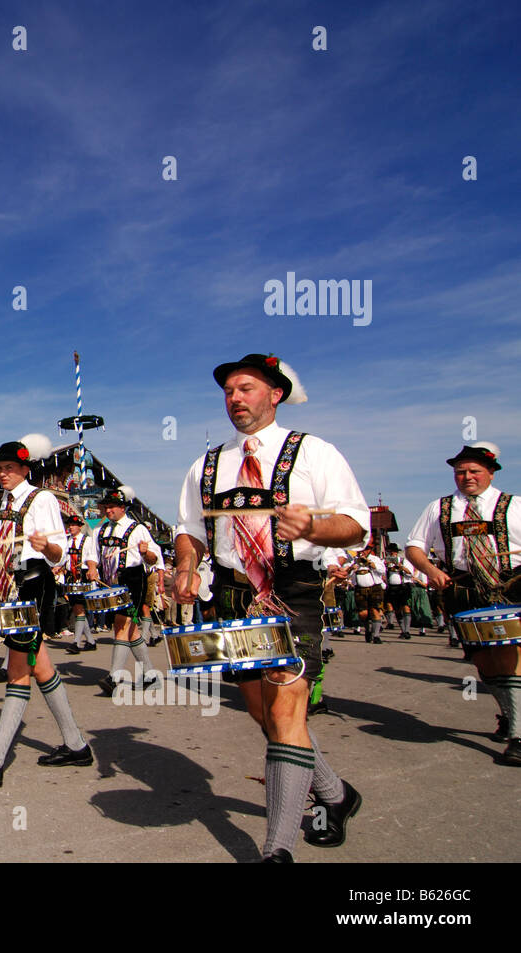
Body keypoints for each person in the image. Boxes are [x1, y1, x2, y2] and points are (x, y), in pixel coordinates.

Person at [173, 354, 369, 862]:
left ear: (275, 394)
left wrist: (312, 528)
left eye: (246, 388)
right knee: (266, 712)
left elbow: (354, 524)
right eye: (229, 391)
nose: (235, 398)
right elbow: (191, 530)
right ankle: (336, 794)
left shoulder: (315, 452)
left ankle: (277, 850)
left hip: (292, 589)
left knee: (285, 708)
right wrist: (186, 568)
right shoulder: (207, 464)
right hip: (234, 595)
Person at [0, 440, 92, 787]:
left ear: (24, 469)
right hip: (8, 589)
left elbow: (60, 551)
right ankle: (76, 745)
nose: (2, 474)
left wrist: (45, 545)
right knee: (41, 667)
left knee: (18, 669)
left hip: (33, 587)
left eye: (9, 468)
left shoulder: (42, 498)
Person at [406, 443, 521, 766]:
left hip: (510, 585)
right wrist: (432, 571)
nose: (467, 477)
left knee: (510, 653)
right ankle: (510, 714)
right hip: (463, 588)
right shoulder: (439, 508)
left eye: (474, 471)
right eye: (460, 472)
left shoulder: (514, 505)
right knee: (482, 660)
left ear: (491, 472)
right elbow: (414, 546)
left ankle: (518, 736)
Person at [84, 488, 160, 693]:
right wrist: (92, 568)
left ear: (122, 507)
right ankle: (151, 675)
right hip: (111, 583)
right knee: (131, 631)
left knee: (122, 625)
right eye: (105, 507)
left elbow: (154, 559)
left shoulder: (138, 529)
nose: (107, 510)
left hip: (133, 579)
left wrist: (146, 553)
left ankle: (114, 677)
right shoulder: (100, 529)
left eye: (111, 507)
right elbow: (92, 554)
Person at [60, 512, 96, 654]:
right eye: (70, 525)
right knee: (76, 608)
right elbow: (64, 559)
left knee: (80, 608)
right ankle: (91, 641)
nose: (71, 527)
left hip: (83, 575)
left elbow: (92, 556)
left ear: (80, 526)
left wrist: (92, 568)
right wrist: (59, 567)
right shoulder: (67, 541)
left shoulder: (87, 540)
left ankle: (75, 642)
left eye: (74, 525)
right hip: (70, 576)